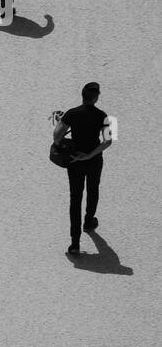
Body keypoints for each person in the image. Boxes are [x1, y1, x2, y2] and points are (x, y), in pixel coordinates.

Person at [52, 82, 112, 256]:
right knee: (93, 190)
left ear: (82, 95)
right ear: (96, 97)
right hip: (93, 161)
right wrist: (90, 155)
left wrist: (63, 139)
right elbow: (108, 141)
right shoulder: (104, 116)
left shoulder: (71, 114)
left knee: (75, 198)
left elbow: (56, 135)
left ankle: (75, 243)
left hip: (75, 160)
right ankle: (89, 221)